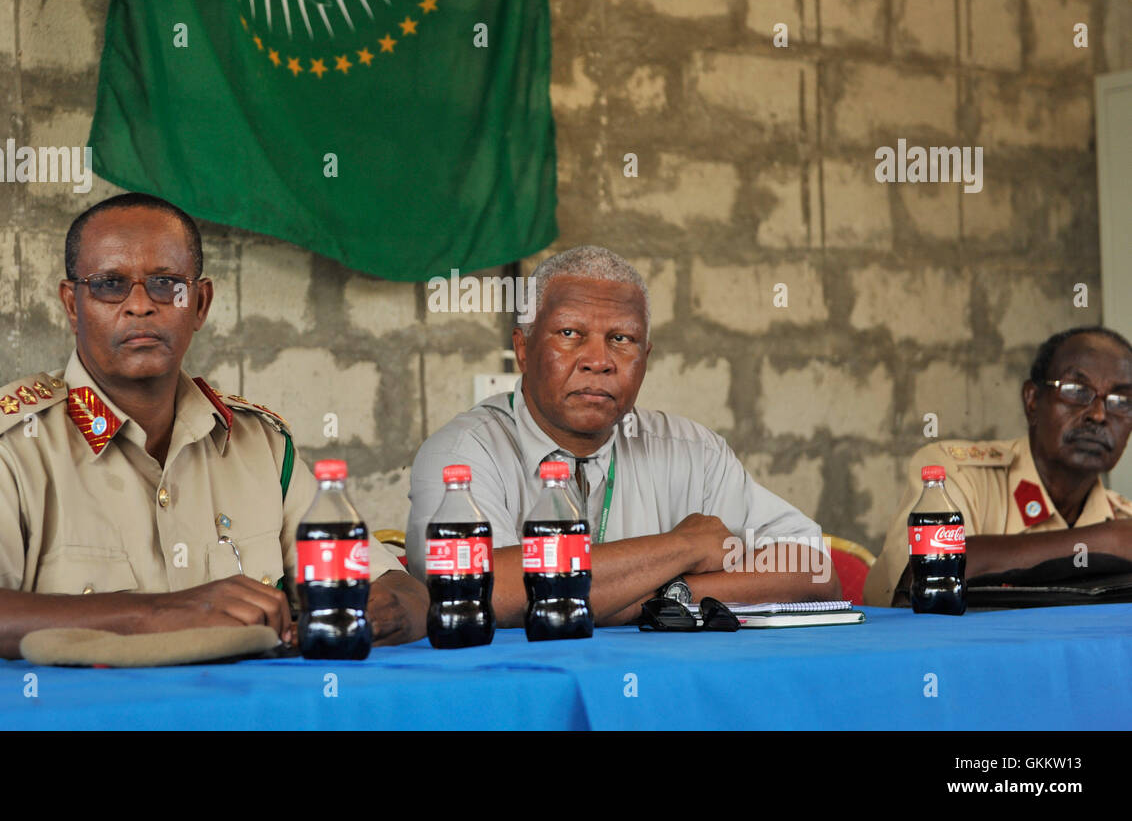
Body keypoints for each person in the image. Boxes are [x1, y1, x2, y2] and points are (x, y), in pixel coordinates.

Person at [0, 193, 427, 658]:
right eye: (110, 285)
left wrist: (388, 610)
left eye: (166, 284)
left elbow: (398, 587)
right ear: (72, 305)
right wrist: (157, 614)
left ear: (201, 303)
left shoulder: (259, 446)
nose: (140, 306)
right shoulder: (4, 450)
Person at [407, 246, 840, 626]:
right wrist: (685, 546)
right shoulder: (462, 453)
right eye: (570, 334)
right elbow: (487, 591)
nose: (599, 360)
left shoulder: (694, 453)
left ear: (645, 357)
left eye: (621, 338)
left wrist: (661, 598)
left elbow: (814, 570)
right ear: (523, 348)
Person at [865, 326, 1132, 606]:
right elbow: (926, 578)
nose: (1100, 415)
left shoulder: (1121, 516)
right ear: (1032, 401)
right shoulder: (953, 473)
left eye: (1122, 401)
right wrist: (1107, 542)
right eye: (1077, 391)